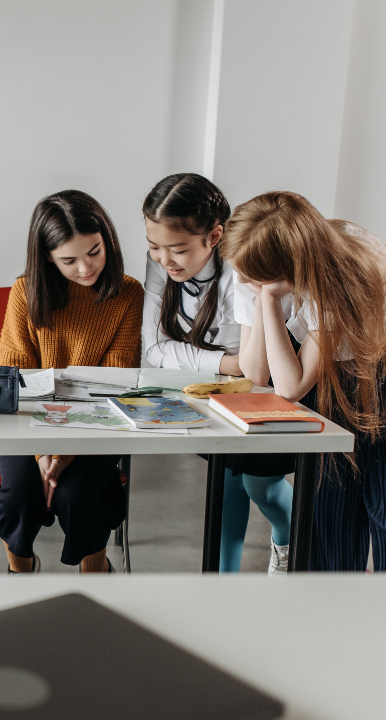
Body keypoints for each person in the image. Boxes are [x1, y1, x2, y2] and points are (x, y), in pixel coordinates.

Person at [221, 192, 386, 572]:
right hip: (336, 389)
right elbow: (257, 372)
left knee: (380, 507)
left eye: (252, 276)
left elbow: (291, 386)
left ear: (288, 269)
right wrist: (266, 297)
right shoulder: (253, 264)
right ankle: (328, 617)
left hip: (371, 381)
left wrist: (266, 300)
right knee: (331, 517)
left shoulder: (342, 275)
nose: (240, 280)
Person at [142, 173, 293, 574]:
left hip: (275, 386)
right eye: (153, 246)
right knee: (226, 486)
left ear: (214, 236)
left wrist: (225, 363)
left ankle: (289, 540)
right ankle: (222, 583)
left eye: (176, 249)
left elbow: (257, 368)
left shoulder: (242, 270)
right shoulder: (163, 263)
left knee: (261, 487)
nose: (163, 260)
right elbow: (155, 350)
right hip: (218, 392)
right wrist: (228, 363)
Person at [0, 190, 144, 573]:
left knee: (78, 495)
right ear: (47, 257)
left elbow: (113, 381)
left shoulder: (128, 294)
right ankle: (19, 566)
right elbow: (17, 380)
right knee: (20, 497)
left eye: (94, 251)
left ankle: (95, 568)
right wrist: (44, 453)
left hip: (98, 421)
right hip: (26, 424)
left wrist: (63, 455)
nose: (85, 268)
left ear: (106, 239)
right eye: (69, 260)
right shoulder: (24, 294)